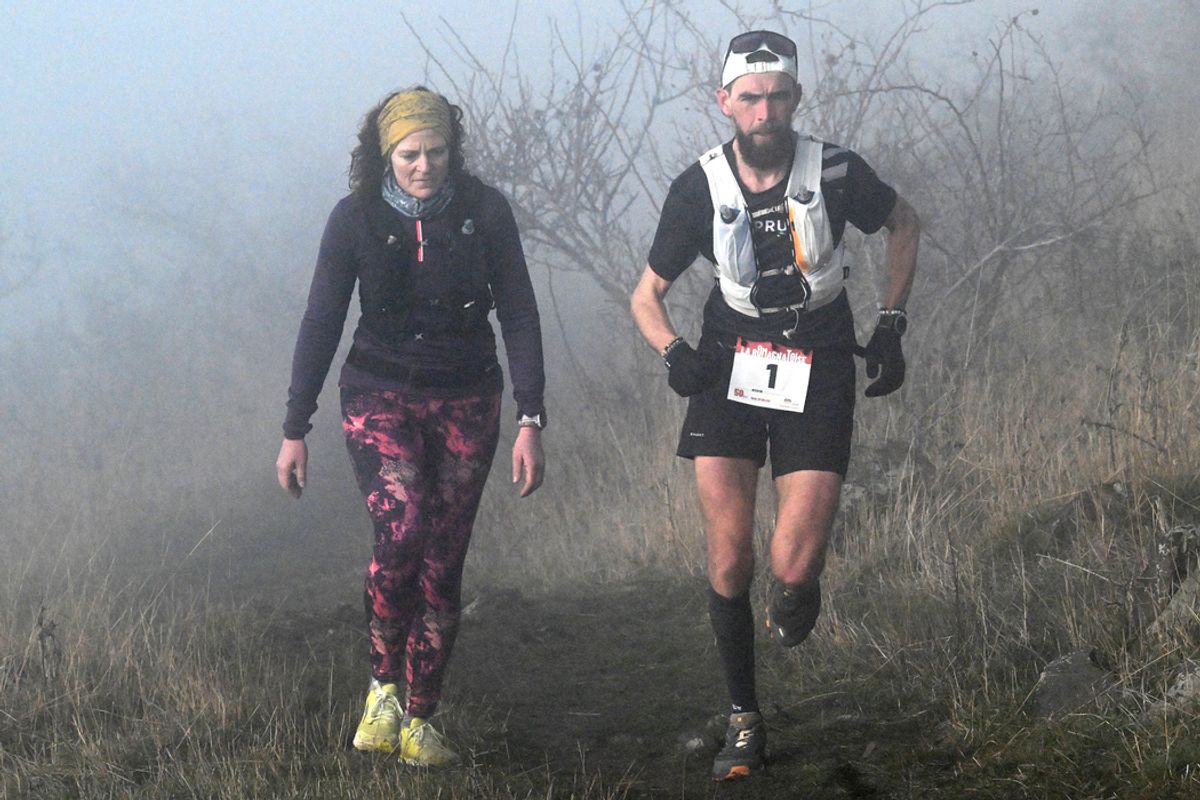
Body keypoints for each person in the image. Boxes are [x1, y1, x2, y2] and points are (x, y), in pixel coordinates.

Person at [630, 30, 919, 780]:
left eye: (777, 96)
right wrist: (674, 354)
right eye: (749, 98)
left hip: (818, 359)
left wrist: (891, 322)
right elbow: (647, 297)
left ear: (796, 98)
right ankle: (744, 719)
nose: (764, 111)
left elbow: (904, 224)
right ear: (724, 102)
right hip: (730, 363)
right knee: (730, 554)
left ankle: (798, 596)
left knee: (792, 571)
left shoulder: (837, 170)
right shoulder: (696, 188)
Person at [275, 87, 547, 766]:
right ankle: (382, 686)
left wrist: (531, 416)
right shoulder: (354, 220)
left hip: (468, 395)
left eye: (436, 153)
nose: (424, 166)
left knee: (444, 557)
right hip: (380, 390)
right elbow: (321, 319)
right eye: (410, 155)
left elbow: (518, 312)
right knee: (404, 526)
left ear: (452, 150)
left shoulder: (485, 212)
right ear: (384, 154)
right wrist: (294, 425)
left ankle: (422, 717)